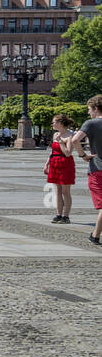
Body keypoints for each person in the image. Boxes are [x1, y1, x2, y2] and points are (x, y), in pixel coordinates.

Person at [66, 95, 102, 246]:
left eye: (89, 109)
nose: (88, 113)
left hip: (97, 168)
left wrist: (83, 155)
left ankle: (95, 235)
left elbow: (75, 140)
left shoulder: (91, 123)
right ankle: (95, 235)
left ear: (95, 108)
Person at [46, 114, 84, 224]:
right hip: (54, 163)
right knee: (57, 191)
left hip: (65, 163)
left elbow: (68, 153)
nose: (52, 124)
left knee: (65, 192)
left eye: (54, 122)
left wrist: (61, 142)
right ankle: (58, 214)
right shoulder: (55, 134)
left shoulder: (70, 135)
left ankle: (66, 216)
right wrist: (47, 163)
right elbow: (52, 151)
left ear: (60, 123)